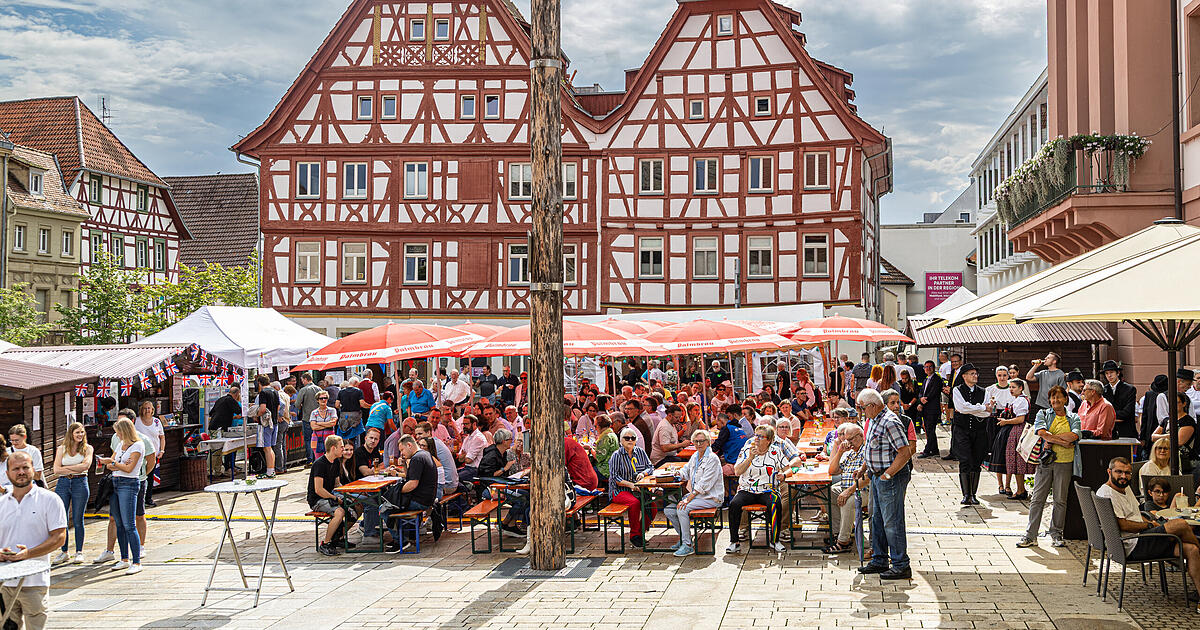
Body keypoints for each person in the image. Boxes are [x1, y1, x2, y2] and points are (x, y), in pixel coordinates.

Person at [1094, 457, 1200, 611]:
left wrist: (1154, 523)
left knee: (1192, 550)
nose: (1124, 476)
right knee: (1182, 524)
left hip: (1142, 538)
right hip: (1133, 544)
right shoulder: (1107, 493)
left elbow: (1137, 514)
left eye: (1127, 473)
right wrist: (1149, 524)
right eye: (1119, 472)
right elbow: (1123, 524)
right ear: (1109, 472)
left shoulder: (1124, 488)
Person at [0, 451, 67, 630]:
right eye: (16, 469)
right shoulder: (1, 504)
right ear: (7, 474)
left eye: (25, 467)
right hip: (4, 584)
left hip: (34, 582)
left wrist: (28, 553)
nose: (21, 472)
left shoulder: (50, 499)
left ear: (33, 470)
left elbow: (59, 537)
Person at [854, 388, 913, 580]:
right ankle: (880, 559)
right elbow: (872, 448)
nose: (861, 412)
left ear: (872, 405)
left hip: (891, 477)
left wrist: (888, 475)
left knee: (892, 522)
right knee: (876, 520)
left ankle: (901, 564)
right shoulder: (872, 420)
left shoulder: (890, 421)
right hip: (877, 476)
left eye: (862, 408)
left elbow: (905, 452)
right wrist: (864, 468)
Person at [1017, 386, 1080, 548]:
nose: (1055, 401)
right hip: (1045, 462)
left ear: (1065, 399)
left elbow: (1074, 435)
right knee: (1037, 499)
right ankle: (1030, 535)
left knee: (1060, 500)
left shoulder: (1073, 417)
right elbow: (1041, 432)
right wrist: (1063, 442)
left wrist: (1051, 439)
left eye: (1059, 397)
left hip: (1065, 462)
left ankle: (1056, 534)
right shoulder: (1043, 413)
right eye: (1052, 398)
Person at [726, 425, 790, 554]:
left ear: (769, 440)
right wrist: (750, 458)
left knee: (775, 503)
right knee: (734, 504)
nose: (757, 439)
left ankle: (775, 540)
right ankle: (734, 542)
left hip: (768, 489)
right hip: (747, 489)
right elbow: (737, 471)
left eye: (761, 436)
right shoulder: (746, 450)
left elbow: (789, 468)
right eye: (756, 435)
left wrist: (784, 475)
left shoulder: (775, 451)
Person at [664, 429, 723, 557]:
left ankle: (687, 545)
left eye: (701, 441)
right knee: (669, 510)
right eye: (696, 441)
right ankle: (684, 538)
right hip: (699, 496)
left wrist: (688, 498)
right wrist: (675, 473)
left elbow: (705, 484)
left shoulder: (712, 459)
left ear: (708, 442)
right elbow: (685, 471)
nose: (698, 444)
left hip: (711, 497)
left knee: (682, 508)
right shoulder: (695, 456)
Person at [97, 419, 145, 574]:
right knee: (119, 522)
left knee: (129, 524)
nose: (116, 434)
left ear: (125, 431)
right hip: (115, 483)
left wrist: (114, 464)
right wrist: (115, 464)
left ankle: (136, 561)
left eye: (118, 431)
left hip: (128, 484)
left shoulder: (138, 445)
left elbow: (129, 468)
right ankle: (124, 558)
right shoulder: (120, 444)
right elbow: (114, 464)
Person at [382, 435, 439, 553]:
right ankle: (403, 536)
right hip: (427, 498)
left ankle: (401, 541)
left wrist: (396, 492)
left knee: (383, 508)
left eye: (402, 450)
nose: (401, 453)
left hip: (420, 501)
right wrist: (404, 465)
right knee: (391, 503)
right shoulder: (424, 454)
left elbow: (412, 484)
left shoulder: (417, 459)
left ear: (409, 445)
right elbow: (411, 476)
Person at [51, 422, 92, 565]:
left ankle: (79, 552)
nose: (80, 435)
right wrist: (76, 468)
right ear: (71, 434)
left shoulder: (87, 449)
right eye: (77, 433)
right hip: (63, 483)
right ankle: (64, 551)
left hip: (80, 483)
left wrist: (67, 468)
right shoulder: (61, 449)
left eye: (82, 432)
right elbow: (56, 469)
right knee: (62, 518)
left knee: (78, 518)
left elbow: (86, 466)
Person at [951, 363, 992, 505]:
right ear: (964, 376)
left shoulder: (984, 391)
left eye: (976, 373)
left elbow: (987, 412)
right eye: (972, 374)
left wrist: (973, 409)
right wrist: (980, 407)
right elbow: (961, 408)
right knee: (964, 460)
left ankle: (973, 494)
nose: (975, 376)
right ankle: (965, 494)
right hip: (961, 430)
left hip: (979, 431)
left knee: (976, 462)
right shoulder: (957, 390)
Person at [607, 427, 655, 547]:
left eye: (632, 438)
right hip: (619, 490)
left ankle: (640, 532)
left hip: (639, 489)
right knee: (635, 503)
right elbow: (615, 477)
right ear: (621, 440)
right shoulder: (616, 455)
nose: (630, 440)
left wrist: (643, 473)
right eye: (626, 438)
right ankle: (634, 535)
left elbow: (650, 467)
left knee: (652, 507)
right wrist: (631, 485)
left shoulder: (640, 452)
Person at [308, 435, 354, 556]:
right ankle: (326, 543)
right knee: (339, 512)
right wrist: (335, 498)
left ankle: (338, 537)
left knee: (357, 505)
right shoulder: (320, 464)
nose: (343, 450)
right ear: (333, 448)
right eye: (342, 447)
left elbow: (337, 484)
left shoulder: (335, 462)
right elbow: (318, 490)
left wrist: (350, 493)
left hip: (330, 495)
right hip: (317, 500)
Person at [827, 423, 867, 555]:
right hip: (845, 486)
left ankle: (843, 541)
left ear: (861, 436)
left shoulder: (866, 451)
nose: (848, 443)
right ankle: (838, 531)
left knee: (849, 502)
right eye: (846, 439)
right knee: (829, 492)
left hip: (864, 490)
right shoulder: (849, 452)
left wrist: (849, 491)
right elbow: (832, 471)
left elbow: (867, 478)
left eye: (851, 439)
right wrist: (839, 452)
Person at [1001, 379, 1034, 500]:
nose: (1011, 389)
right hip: (1016, 430)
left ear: (1021, 388)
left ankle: (1021, 490)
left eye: (1013, 387)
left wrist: (1006, 422)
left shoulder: (1021, 400)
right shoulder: (1018, 399)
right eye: (1010, 387)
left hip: (1019, 430)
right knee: (1015, 461)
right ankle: (1021, 489)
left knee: (1018, 460)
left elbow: (1020, 419)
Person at [414, 422, 460, 498]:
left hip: (447, 485)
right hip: (451, 482)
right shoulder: (435, 442)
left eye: (420, 434)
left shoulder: (430, 445)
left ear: (428, 432)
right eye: (416, 434)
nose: (417, 437)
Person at [134, 400, 166, 506]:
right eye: (145, 408)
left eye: (149, 408)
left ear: (152, 410)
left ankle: (148, 498)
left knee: (151, 476)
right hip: (140, 454)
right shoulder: (136, 421)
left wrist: (162, 450)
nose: (147, 410)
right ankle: (139, 499)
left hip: (153, 454)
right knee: (140, 476)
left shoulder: (157, 421)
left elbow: (162, 437)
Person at [251, 375, 281, 478]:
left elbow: (263, 409)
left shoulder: (263, 393)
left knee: (267, 448)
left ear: (259, 383)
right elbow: (278, 407)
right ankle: (271, 470)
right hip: (274, 422)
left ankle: (269, 472)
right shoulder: (275, 391)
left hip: (265, 423)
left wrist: (256, 414)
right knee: (270, 448)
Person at [1100, 360, 1138, 439]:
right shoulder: (1103, 390)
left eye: (1111, 372)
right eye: (1106, 373)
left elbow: (1128, 411)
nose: (1109, 375)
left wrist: (1109, 416)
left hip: (1127, 431)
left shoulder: (1129, 389)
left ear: (1118, 373)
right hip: (1109, 432)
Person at [916, 360, 945, 459]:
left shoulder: (937, 379)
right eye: (926, 367)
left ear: (934, 368)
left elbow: (933, 392)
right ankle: (934, 449)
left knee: (930, 429)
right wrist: (921, 399)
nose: (928, 369)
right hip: (926, 408)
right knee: (928, 429)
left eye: (930, 367)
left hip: (932, 408)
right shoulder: (925, 380)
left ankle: (928, 450)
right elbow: (921, 392)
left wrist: (924, 400)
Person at [1025, 352, 1064, 418]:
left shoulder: (1060, 374)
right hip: (1040, 405)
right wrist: (1035, 366)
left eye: (1048, 358)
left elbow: (1063, 392)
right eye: (1045, 358)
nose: (1045, 359)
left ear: (1054, 361)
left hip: (1053, 406)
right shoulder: (1043, 373)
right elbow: (1028, 377)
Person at [295, 373, 323, 463]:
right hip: (319, 418)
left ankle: (310, 460)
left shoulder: (304, 389)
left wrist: (302, 407)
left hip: (307, 418)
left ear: (306, 379)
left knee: (308, 439)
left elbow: (297, 404)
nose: (302, 382)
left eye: (302, 380)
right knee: (318, 438)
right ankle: (317, 458)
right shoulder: (319, 389)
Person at [309, 390, 338, 457]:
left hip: (330, 438)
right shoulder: (314, 412)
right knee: (318, 459)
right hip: (317, 438)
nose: (323, 400)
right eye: (321, 398)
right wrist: (327, 424)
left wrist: (318, 423)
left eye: (325, 398)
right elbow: (313, 427)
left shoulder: (332, 410)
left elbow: (333, 423)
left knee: (331, 457)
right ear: (317, 400)